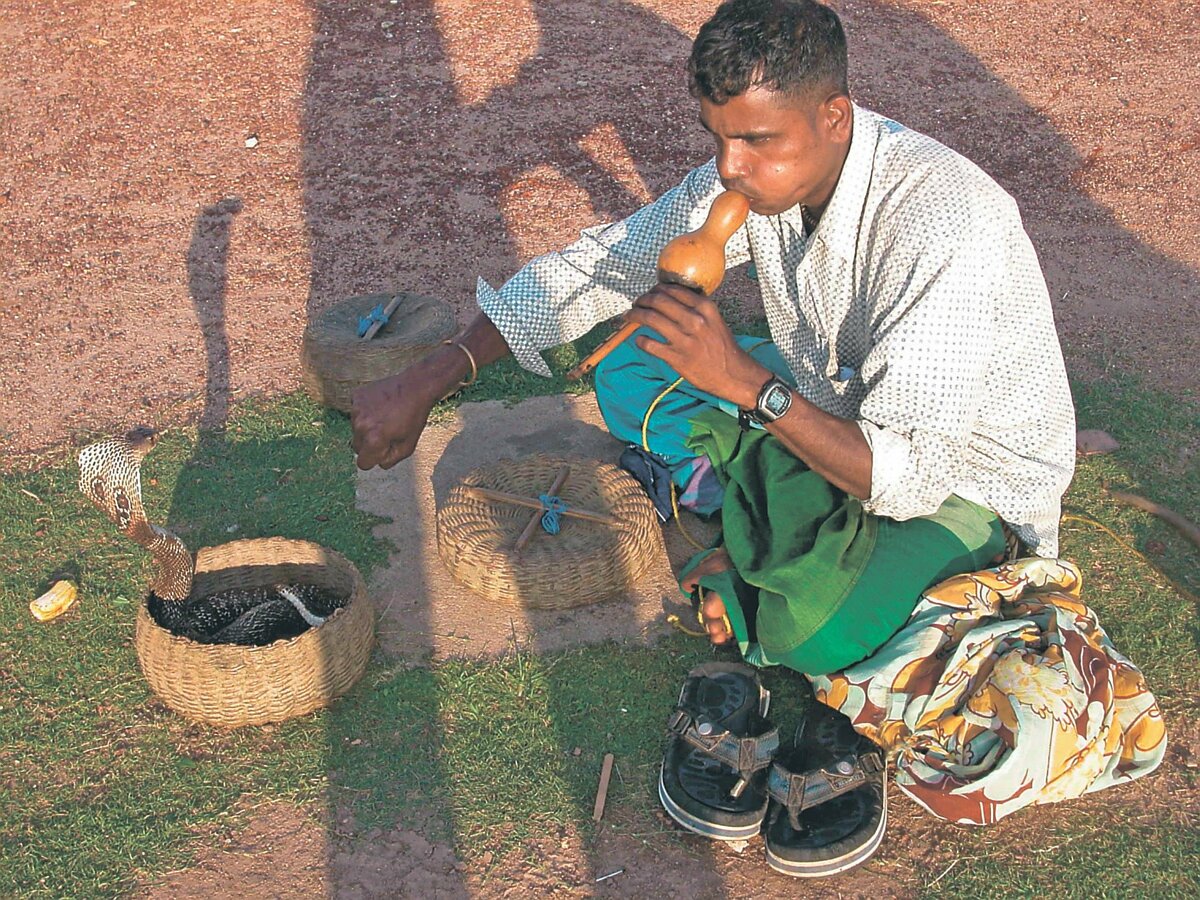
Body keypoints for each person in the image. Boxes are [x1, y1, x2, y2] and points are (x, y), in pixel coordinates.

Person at [351, 0, 1075, 672]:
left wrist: (746, 387)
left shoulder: (944, 220)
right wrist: (434, 374)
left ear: (834, 117)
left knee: (814, 630)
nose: (731, 168)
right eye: (720, 138)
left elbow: (911, 478)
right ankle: (763, 517)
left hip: (965, 488)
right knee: (633, 364)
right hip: (827, 410)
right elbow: (607, 263)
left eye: (757, 141)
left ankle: (763, 535)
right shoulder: (763, 175)